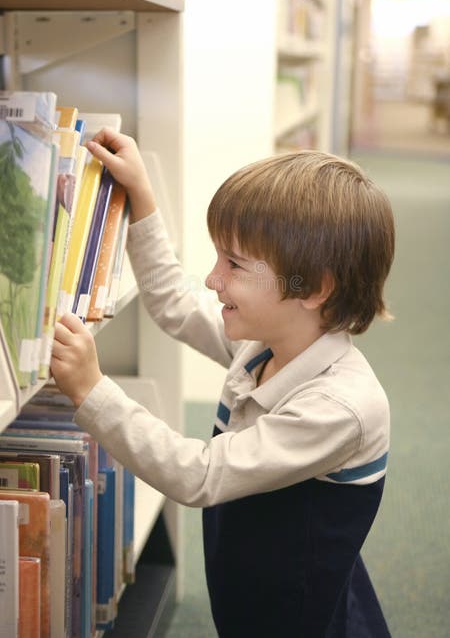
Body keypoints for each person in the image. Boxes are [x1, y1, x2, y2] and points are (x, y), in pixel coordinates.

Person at [51, 129, 395, 637]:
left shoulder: (341, 408)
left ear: (315, 287)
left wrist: (93, 392)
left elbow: (200, 475)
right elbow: (173, 301)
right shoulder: (267, 343)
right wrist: (142, 198)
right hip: (251, 591)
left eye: (234, 264)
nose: (213, 278)